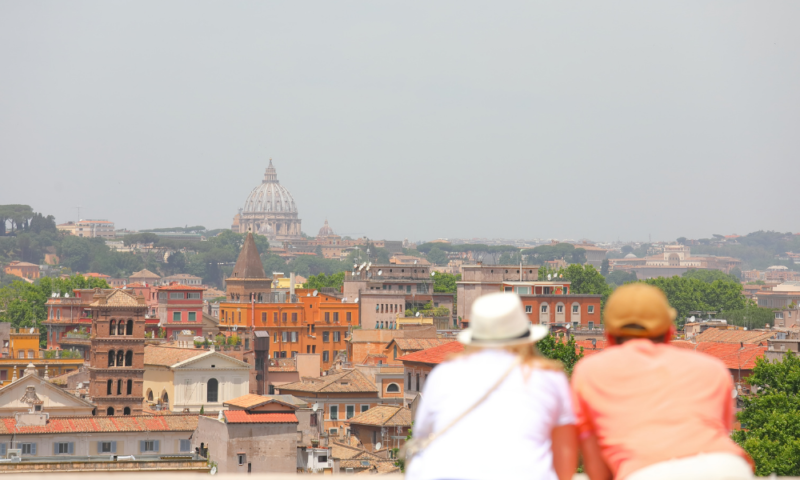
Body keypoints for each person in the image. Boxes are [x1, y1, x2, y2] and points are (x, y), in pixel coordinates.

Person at [572, 283, 754, 480]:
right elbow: (721, 431)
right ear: (670, 331)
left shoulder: (591, 371)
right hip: (727, 468)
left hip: (647, 472)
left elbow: (596, 465)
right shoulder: (713, 368)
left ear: (608, 335)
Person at [406, 292, 577, 480]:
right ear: (525, 338)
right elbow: (565, 462)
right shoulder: (549, 377)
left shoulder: (443, 374)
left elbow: (421, 438)